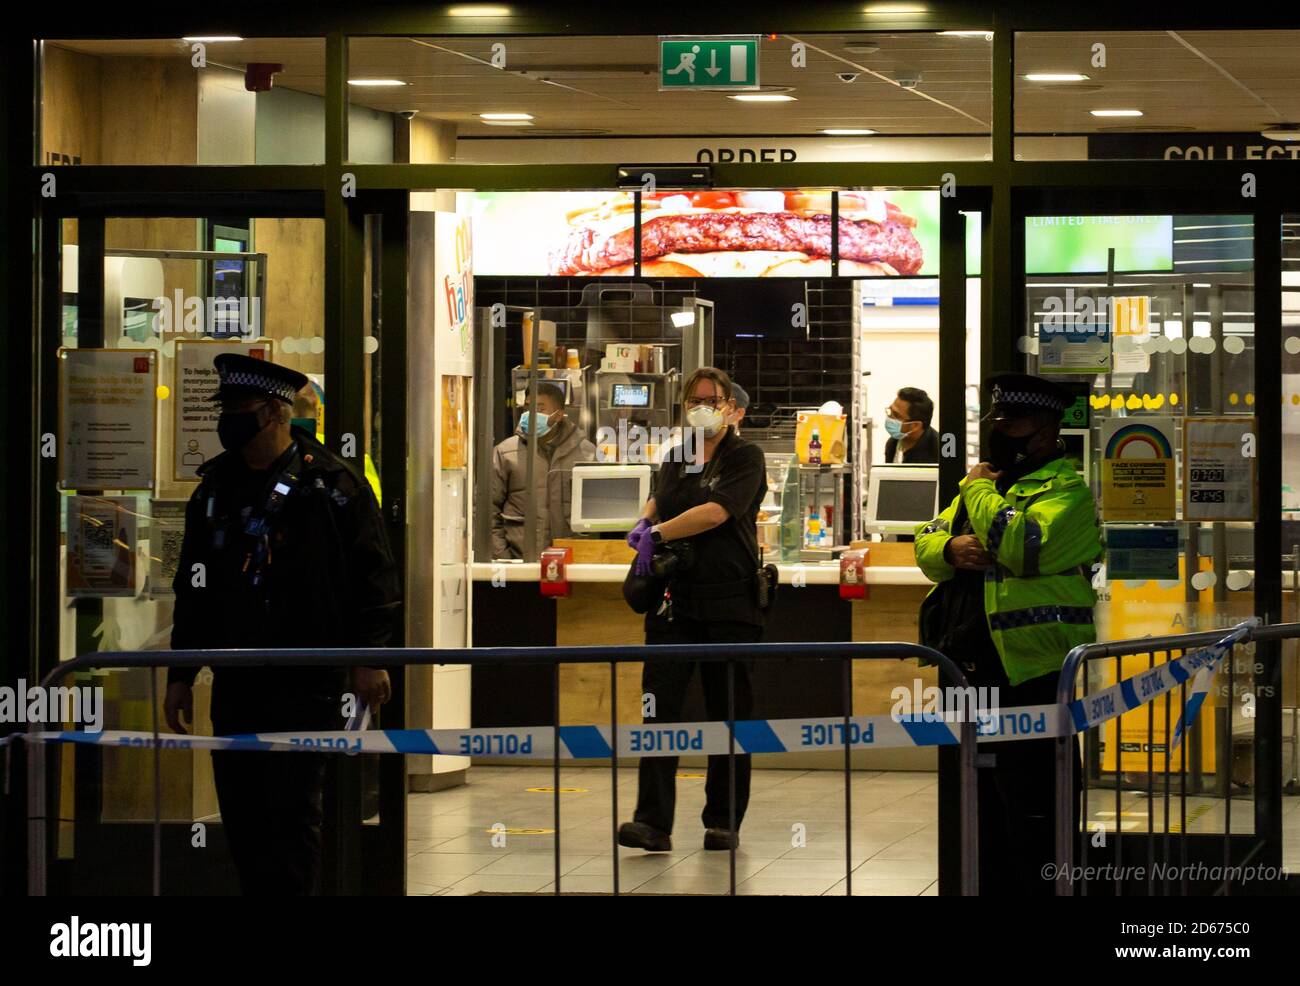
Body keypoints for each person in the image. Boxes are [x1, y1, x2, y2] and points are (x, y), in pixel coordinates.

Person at [163, 353, 400, 896]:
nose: (227, 419)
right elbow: (193, 587)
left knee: (292, 818)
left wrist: (369, 656)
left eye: (238, 408)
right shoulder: (215, 489)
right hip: (236, 678)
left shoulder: (333, 487)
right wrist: (181, 671)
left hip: (305, 679)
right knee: (244, 819)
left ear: (273, 412)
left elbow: (374, 577)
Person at [913, 372, 1101, 896]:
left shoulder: (1067, 490)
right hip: (971, 667)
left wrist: (976, 491)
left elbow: (1021, 546)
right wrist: (950, 551)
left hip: (1034, 672)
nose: (1001, 431)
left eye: (1012, 422)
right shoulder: (990, 485)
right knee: (979, 804)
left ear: (1044, 428)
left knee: (1036, 804)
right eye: (996, 420)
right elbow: (927, 540)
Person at [618, 367, 768, 853]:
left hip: (730, 603)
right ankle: (652, 822)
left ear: (729, 406)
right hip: (674, 603)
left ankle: (723, 820)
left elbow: (717, 512)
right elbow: (660, 495)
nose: (704, 405)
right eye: (695, 399)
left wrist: (658, 534)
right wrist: (643, 520)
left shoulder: (746, 456)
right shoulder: (678, 452)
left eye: (713, 398)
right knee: (659, 711)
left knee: (728, 714)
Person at [490, 381, 596, 560]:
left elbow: (598, 513)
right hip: (520, 563)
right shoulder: (505, 453)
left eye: (540, 409)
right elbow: (486, 511)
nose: (531, 415)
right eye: (527, 407)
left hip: (573, 564)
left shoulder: (587, 454)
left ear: (559, 414)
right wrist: (504, 558)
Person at [883, 386, 940, 463]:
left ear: (915, 425)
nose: (889, 417)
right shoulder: (892, 443)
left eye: (896, 415)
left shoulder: (939, 450)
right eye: (890, 410)